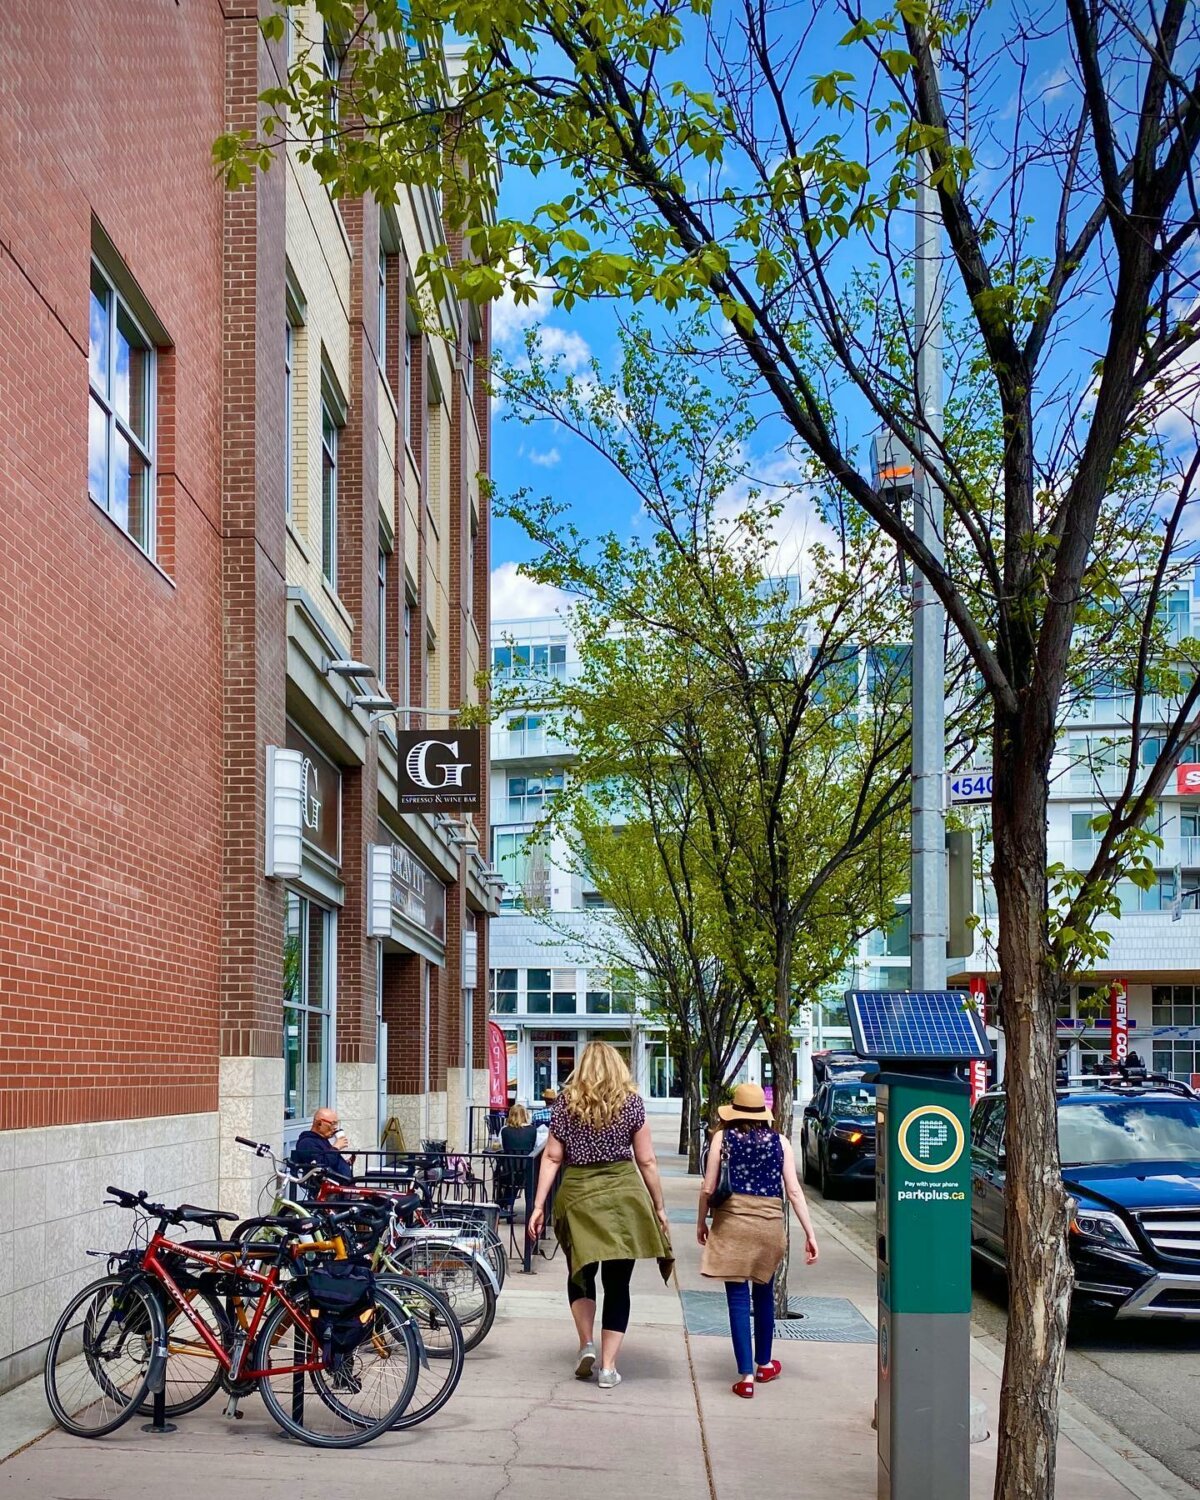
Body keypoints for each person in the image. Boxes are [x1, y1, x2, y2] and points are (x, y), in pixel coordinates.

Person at [528, 1042, 672, 1391]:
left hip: (578, 1196)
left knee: (581, 1272)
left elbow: (551, 1157)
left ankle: (586, 1344)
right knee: (618, 1284)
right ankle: (608, 1368)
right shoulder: (632, 1104)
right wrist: (659, 1206)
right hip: (624, 1196)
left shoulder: (565, 1105)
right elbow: (647, 1160)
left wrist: (537, 1205)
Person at [696, 1083, 819, 1399]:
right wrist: (810, 1233)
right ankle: (764, 1363)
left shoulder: (722, 1139)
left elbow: (709, 1188)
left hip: (733, 1225)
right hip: (769, 1227)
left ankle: (746, 1377)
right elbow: (793, 1191)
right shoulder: (781, 1143)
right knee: (764, 1294)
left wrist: (701, 1223)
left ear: (733, 1112)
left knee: (738, 1299)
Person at [291, 1106, 354, 1183]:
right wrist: (336, 1147)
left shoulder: (322, 1140)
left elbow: (330, 1161)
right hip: (330, 1189)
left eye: (336, 1124)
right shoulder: (307, 1142)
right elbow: (321, 1165)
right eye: (332, 1124)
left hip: (342, 1186)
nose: (335, 1128)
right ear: (319, 1123)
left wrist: (344, 1163)